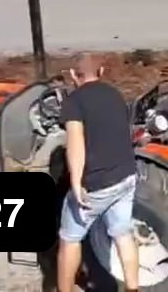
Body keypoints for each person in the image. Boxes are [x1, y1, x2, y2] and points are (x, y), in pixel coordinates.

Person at [56, 54, 139, 292]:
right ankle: (133, 289)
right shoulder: (115, 95)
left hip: (97, 184)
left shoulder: (74, 101)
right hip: (126, 176)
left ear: (73, 75)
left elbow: (75, 144)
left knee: (69, 239)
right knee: (123, 233)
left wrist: (75, 182)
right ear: (101, 72)